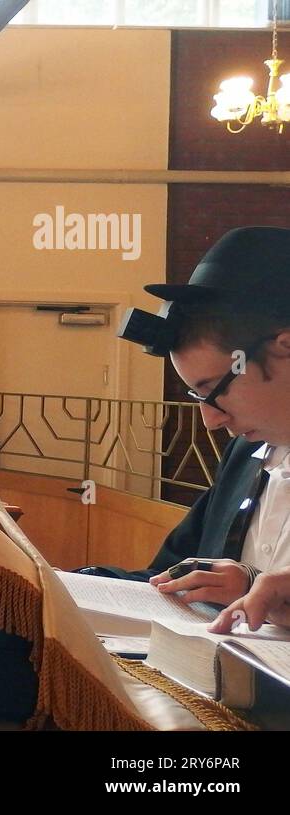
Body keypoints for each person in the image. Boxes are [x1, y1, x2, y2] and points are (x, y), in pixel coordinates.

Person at [109, 226, 290, 607]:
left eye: (215, 390)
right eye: (197, 396)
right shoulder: (245, 456)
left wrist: (258, 589)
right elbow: (170, 576)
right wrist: (66, 581)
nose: (210, 421)